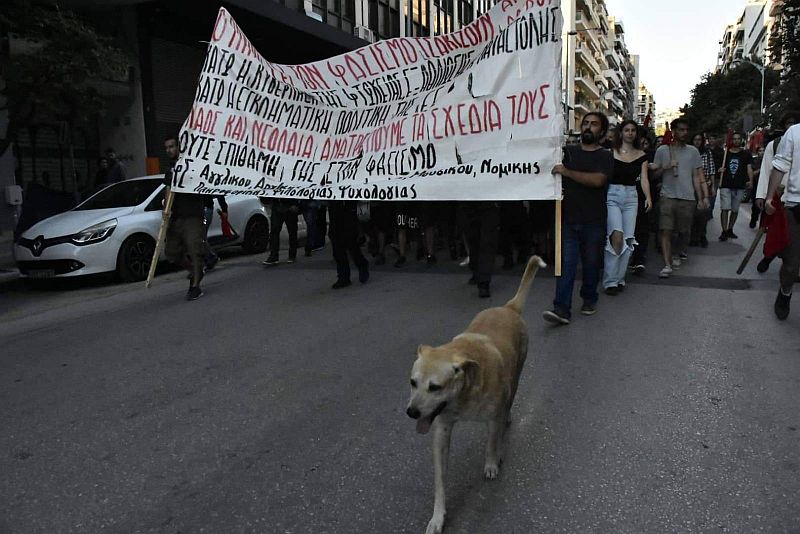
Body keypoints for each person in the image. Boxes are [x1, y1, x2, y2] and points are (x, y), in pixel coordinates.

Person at [542, 112, 613, 324]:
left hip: (594, 220)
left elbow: (597, 180)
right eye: (585, 123)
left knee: (591, 264)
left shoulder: (605, 156)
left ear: (601, 130)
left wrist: (567, 172)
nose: (588, 127)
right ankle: (561, 308)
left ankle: (589, 297)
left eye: (594, 124)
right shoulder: (567, 152)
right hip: (567, 219)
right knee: (566, 265)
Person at [651, 117, 709, 278]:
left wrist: (701, 197)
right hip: (667, 196)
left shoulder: (693, 151)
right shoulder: (663, 150)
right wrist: (666, 167)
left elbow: (697, 176)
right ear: (674, 131)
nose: (684, 133)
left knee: (683, 232)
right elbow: (654, 175)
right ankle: (667, 264)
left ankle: (677, 252)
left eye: (686, 130)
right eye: (681, 130)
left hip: (687, 198)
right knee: (666, 230)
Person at [603, 120, 651, 294]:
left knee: (628, 239)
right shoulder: (610, 153)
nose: (630, 133)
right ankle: (610, 281)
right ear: (621, 133)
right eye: (627, 130)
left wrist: (648, 197)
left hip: (632, 196)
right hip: (612, 195)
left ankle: (619, 278)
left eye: (633, 130)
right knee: (616, 236)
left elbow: (644, 178)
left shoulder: (642, 155)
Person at [755, 112, 800, 272]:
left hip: (793, 197)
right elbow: (767, 171)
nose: (791, 126)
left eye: (793, 122)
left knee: (791, 237)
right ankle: (769, 258)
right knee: (776, 232)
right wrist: (762, 195)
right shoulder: (773, 145)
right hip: (777, 197)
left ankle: (791, 267)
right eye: (788, 123)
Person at [162, 135, 207, 300]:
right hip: (176, 217)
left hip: (192, 215)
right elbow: (168, 188)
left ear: (179, 147)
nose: (169, 150)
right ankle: (194, 270)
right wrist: (166, 210)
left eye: (172, 146)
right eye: (167, 148)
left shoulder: (192, 166)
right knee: (171, 252)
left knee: (195, 250)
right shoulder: (170, 169)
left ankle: (195, 285)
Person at [764, 122, 800, 319]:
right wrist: (769, 197)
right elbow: (779, 166)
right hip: (796, 205)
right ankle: (785, 292)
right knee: (792, 264)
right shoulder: (795, 132)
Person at [718, 131, 753, 241]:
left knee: (735, 209)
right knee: (725, 208)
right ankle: (724, 230)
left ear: (741, 140)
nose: (736, 140)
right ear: (731, 140)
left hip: (739, 185)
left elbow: (749, 168)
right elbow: (718, 168)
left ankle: (730, 229)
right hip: (726, 184)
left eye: (738, 138)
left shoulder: (746, 154)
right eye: (734, 139)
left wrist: (750, 180)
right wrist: (720, 170)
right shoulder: (725, 154)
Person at [463, 201, 500, 298]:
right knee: (473, 238)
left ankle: (484, 281)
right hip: (470, 201)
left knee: (487, 241)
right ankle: (476, 270)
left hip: (488, 201)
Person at [328, 201, 369, 289]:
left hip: (349, 211)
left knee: (351, 244)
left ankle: (361, 264)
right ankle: (343, 277)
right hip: (335, 212)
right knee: (337, 247)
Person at [689, 133, 716, 248]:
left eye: (699, 140)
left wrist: (713, 186)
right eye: (695, 139)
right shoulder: (688, 152)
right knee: (693, 213)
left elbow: (711, 170)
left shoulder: (707, 153)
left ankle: (702, 235)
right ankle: (693, 236)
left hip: (704, 184)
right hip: (690, 186)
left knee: (704, 213)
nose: (697, 142)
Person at [263, 198, 301, 265]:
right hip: (277, 206)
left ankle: (292, 255)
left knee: (292, 232)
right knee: (274, 231)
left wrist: (296, 204)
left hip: (290, 206)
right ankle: (273, 256)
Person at [749, 145, 765, 228]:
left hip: (765, 185)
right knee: (755, 206)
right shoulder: (754, 161)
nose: (762, 153)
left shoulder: (768, 161)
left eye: (763, 151)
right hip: (756, 184)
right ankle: (753, 220)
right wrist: (760, 169)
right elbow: (752, 173)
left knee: (764, 206)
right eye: (760, 151)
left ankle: (763, 225)